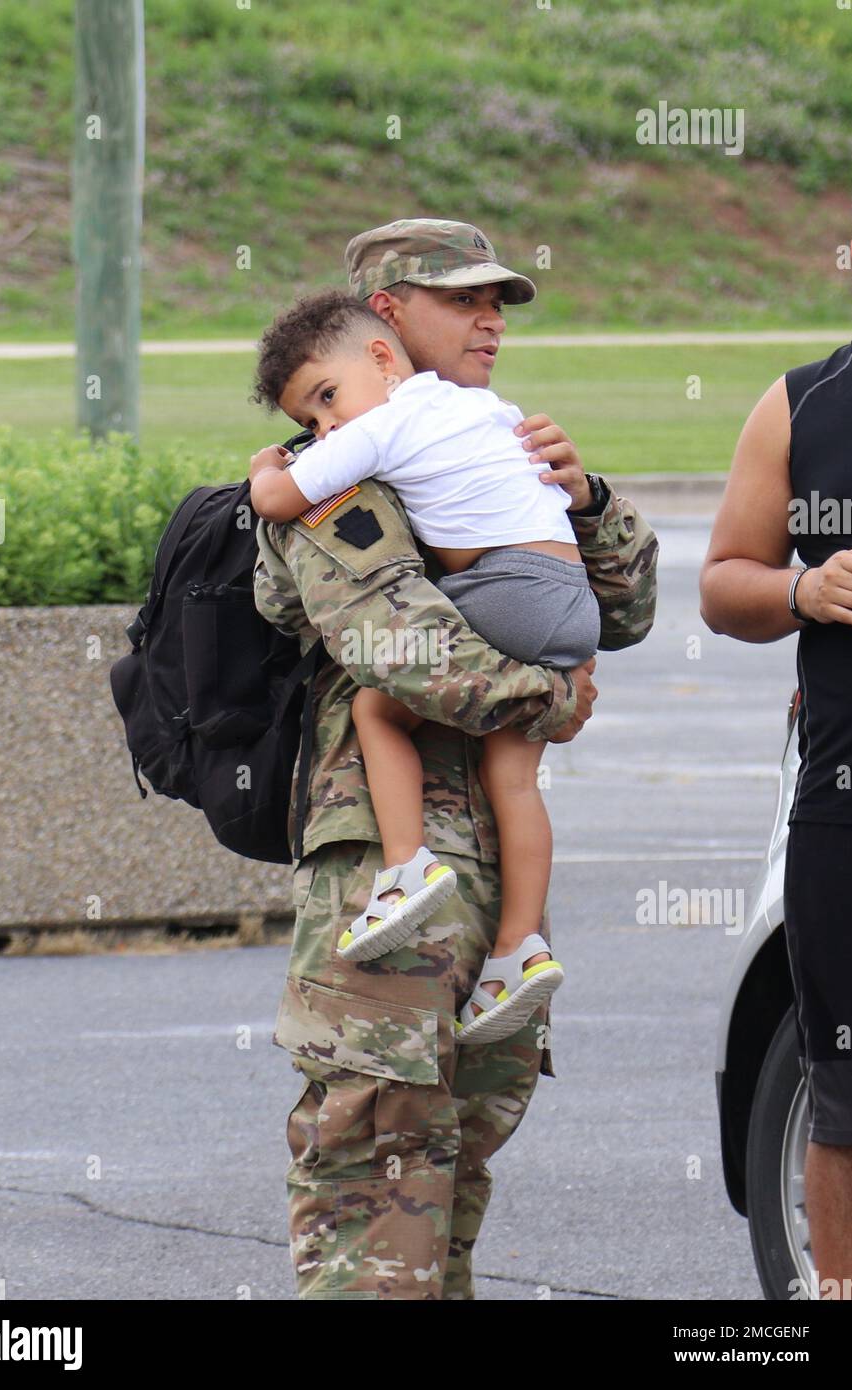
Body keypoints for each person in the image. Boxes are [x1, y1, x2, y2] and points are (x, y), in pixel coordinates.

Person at [253, 217, 658, 1299]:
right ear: (384, 320)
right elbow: (402, 652)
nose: (491, 322)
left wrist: (586, 504)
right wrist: (550, 694)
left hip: (481, 864)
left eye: (499, 303)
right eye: (464, 301)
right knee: (374, 1194)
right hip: (384, 878)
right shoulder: (337, 477)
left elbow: (626, 612)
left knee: (455, 1177)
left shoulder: (483, 436)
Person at [249, 289, 602, 1044]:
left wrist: (265, 467)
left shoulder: (384, 426)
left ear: (381, 355)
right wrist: (551, 690)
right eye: (310, 421)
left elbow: (280, 499)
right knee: (517, 782)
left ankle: (405, 867)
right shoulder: (496, 412)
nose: (326, 428)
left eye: (324, 404)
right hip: (565, 601)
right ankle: (519, 949)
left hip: (508, 592)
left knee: (378, 708)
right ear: (391, 319)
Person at [699, 181, 852, 1296]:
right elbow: (721, 585)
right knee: (843, 1087)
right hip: (847, 800)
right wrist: (806, 589)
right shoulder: (803, 405)